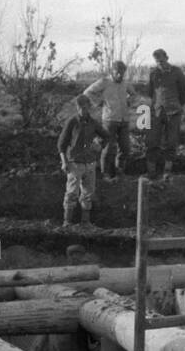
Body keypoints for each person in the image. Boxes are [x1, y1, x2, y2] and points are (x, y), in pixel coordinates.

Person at [57, 95, 111, 227]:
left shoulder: (93, 123)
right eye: (80, 108)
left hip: (90, 163)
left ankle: (85, 222)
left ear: (89, 108)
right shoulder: (72, 122)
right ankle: (67, 221)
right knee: (71, 193)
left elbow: (106, 136)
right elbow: (61, 144)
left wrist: (100, 145)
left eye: (86, 108)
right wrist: (64, 161)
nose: (83, 110)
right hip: (75, 163)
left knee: (88, 194)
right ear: (77, 108)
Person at [82, 60, 137, 179]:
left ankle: (119, 171)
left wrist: (129, 101)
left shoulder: (125, 83)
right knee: (109, 148)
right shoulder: (104, 82)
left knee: (125, 148)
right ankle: (106, 174)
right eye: (117, 72)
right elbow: (87, 92)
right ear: (112, 71)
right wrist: (98, 102)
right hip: (109, 120)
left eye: (122, 73)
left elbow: (133, 94)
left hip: (124, 120)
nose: (120, 75)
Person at [146, 48, 185, 180]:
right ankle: (151, 172)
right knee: (152, 141)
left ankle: (167, 171)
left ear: (167, 58)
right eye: (157, 62)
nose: (160, 64)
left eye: (162, 61)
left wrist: (176, 105)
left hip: (174, 112)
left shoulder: (177, 72)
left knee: (171, 142)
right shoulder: (153, 73)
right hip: (157, 112)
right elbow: (150, 92)